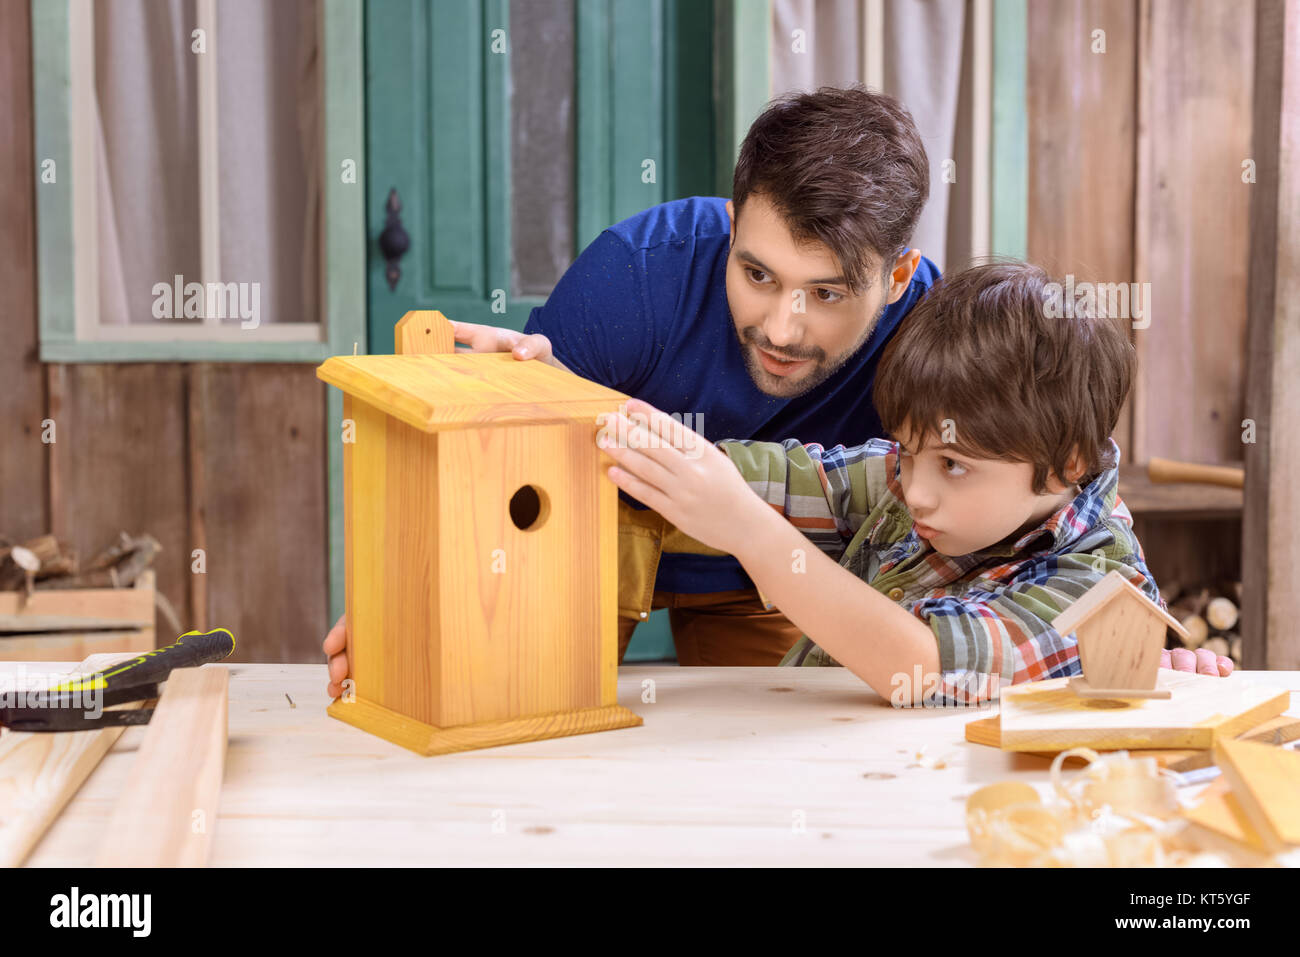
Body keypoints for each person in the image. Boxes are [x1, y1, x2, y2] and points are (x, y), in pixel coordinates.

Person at [325, 84, 939, 695]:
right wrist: (410, 585)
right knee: (508, 702)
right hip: (581, 535)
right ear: (732, 228)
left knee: (783, 731)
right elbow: (500, 465)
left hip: (773, 561)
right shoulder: (635, 272)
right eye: (757, 275)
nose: (781, 330)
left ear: (897, 277)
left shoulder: (935, 335)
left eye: (826, 294)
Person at [595, 261, 1233, 705]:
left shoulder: (1099, 589)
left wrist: (750, 533)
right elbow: (775, 477)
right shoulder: (915, 481)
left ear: (1067, 463)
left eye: (953, 464)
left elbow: (922, 666)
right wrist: (582, 416)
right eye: (906, 449)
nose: (915, 490)